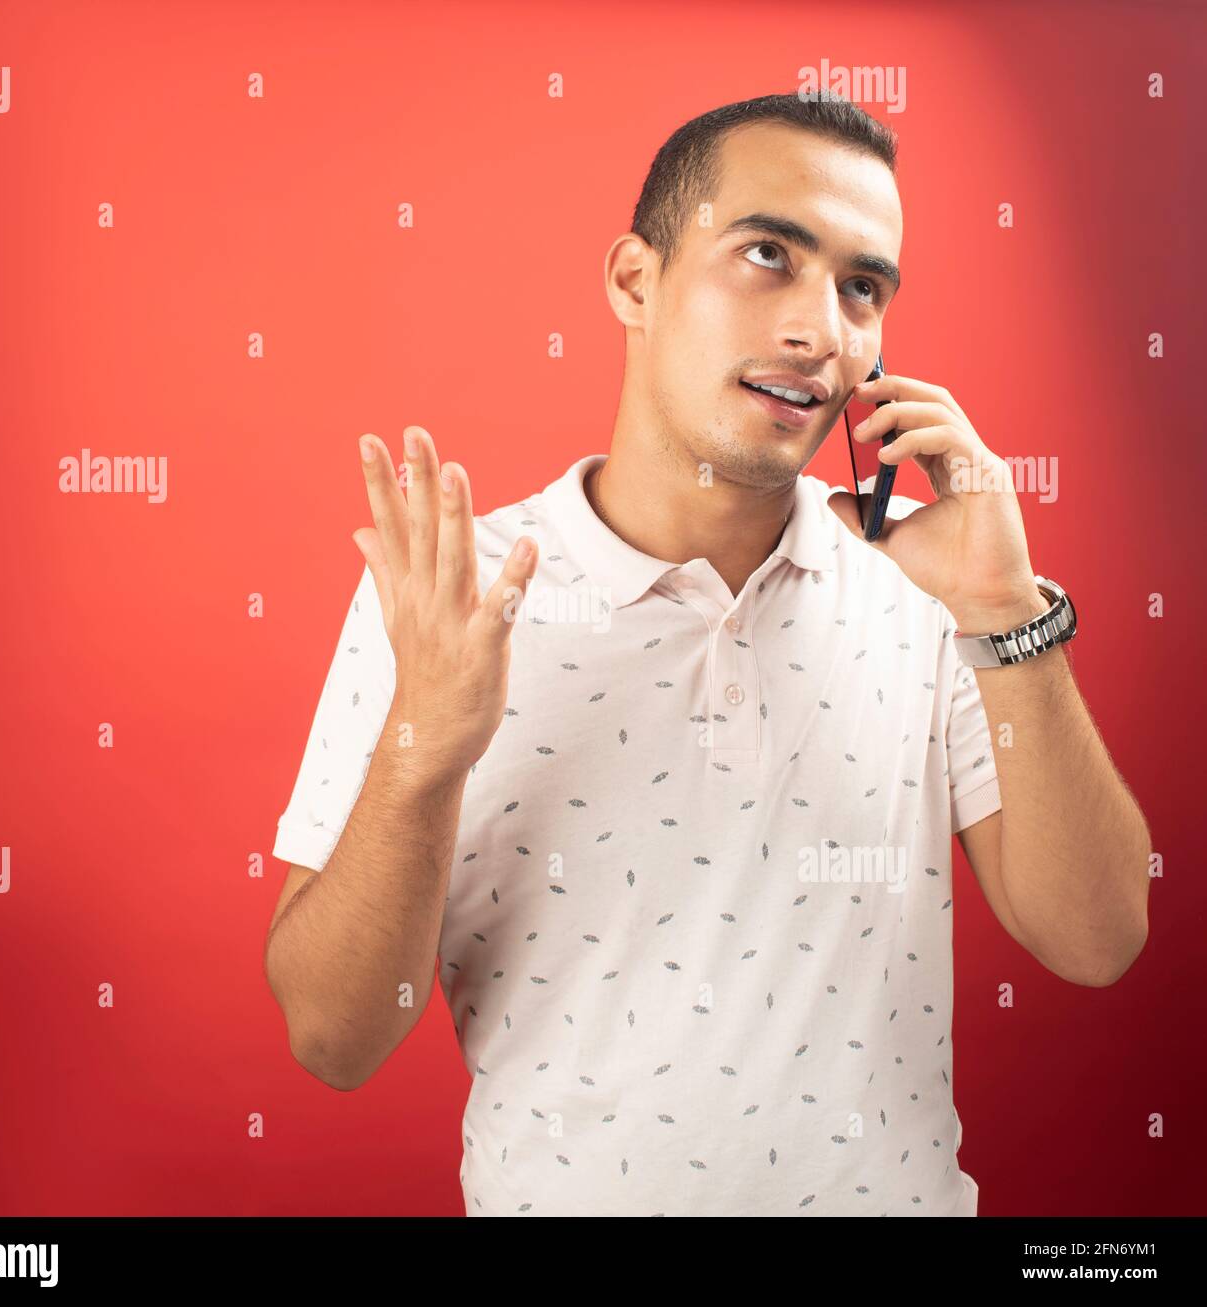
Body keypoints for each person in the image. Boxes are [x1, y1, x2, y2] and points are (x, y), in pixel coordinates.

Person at [263, 93, 1151, 1217]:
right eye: (768, 254)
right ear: (634, 281)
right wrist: (422, 746)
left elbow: (1097, 937)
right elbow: (333, 1037)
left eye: (860, 287)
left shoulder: (929, 584)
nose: (820, 329)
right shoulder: (452, 590)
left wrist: (1005, 609)